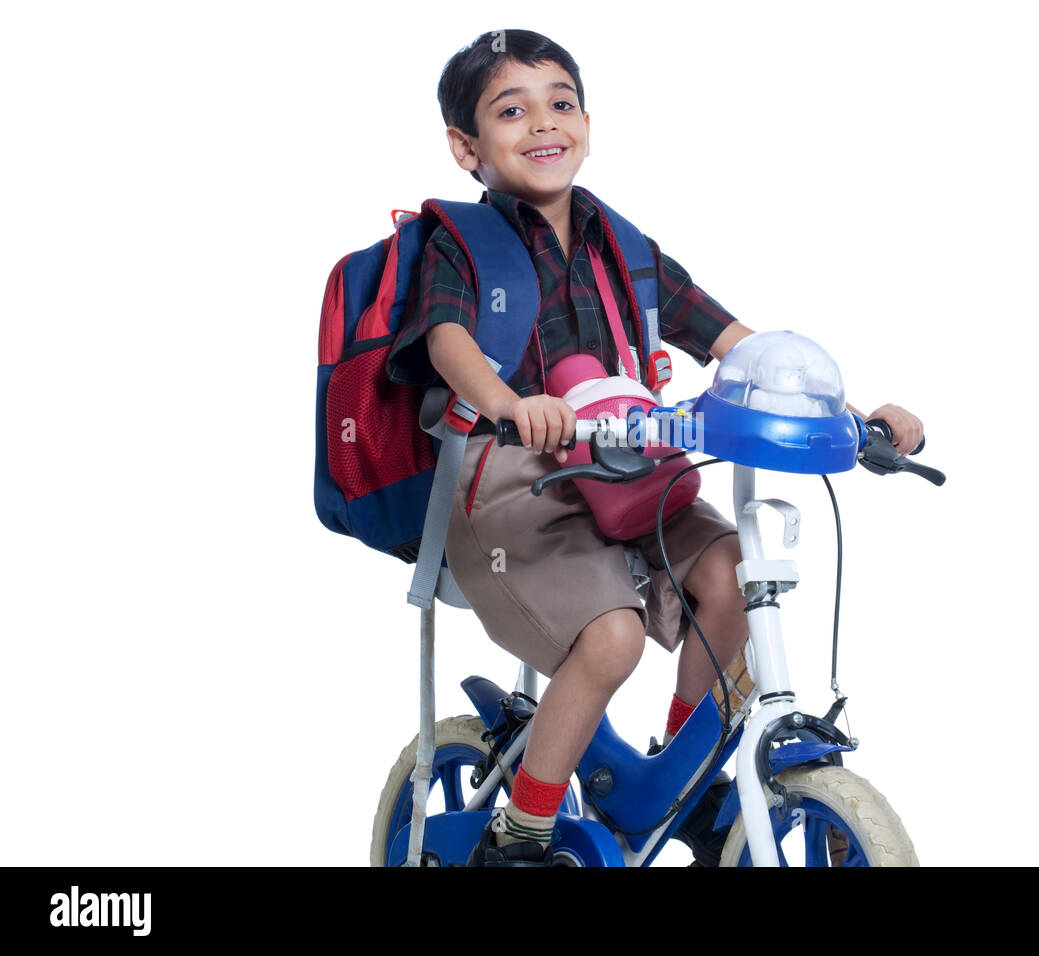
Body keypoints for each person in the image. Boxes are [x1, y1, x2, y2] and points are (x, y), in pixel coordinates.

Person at [385, 29, 924, 866]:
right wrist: (508, 402)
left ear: (588, 121)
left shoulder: (624, 248)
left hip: (626, 469)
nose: (542, 123)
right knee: (612, 639)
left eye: (560, 103)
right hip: (512, 484)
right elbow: (449, 337)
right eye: (510, 110)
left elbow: (737, 343)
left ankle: (688, 776)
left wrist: (853, 413)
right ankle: (520, 835)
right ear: (466, 147)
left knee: (734, 580)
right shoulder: (462, 243)